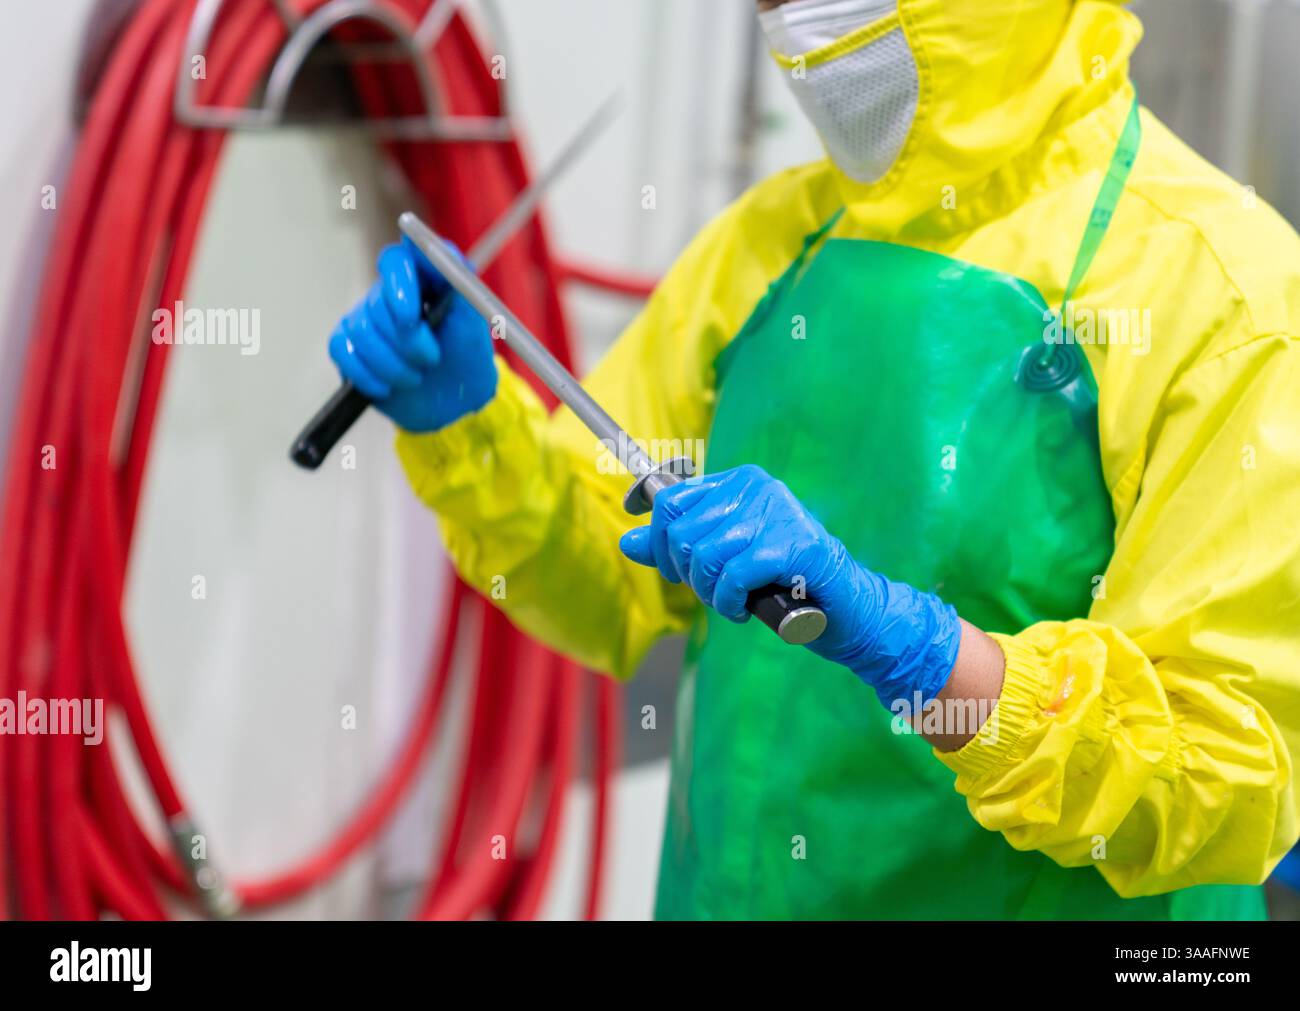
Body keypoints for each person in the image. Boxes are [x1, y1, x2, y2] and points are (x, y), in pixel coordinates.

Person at [328, 0, 1300, 919]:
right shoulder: (765, 247)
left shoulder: (1218, 290)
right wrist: (465, 426)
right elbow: (608, 580)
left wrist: (923, 657)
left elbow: (1220, 768)